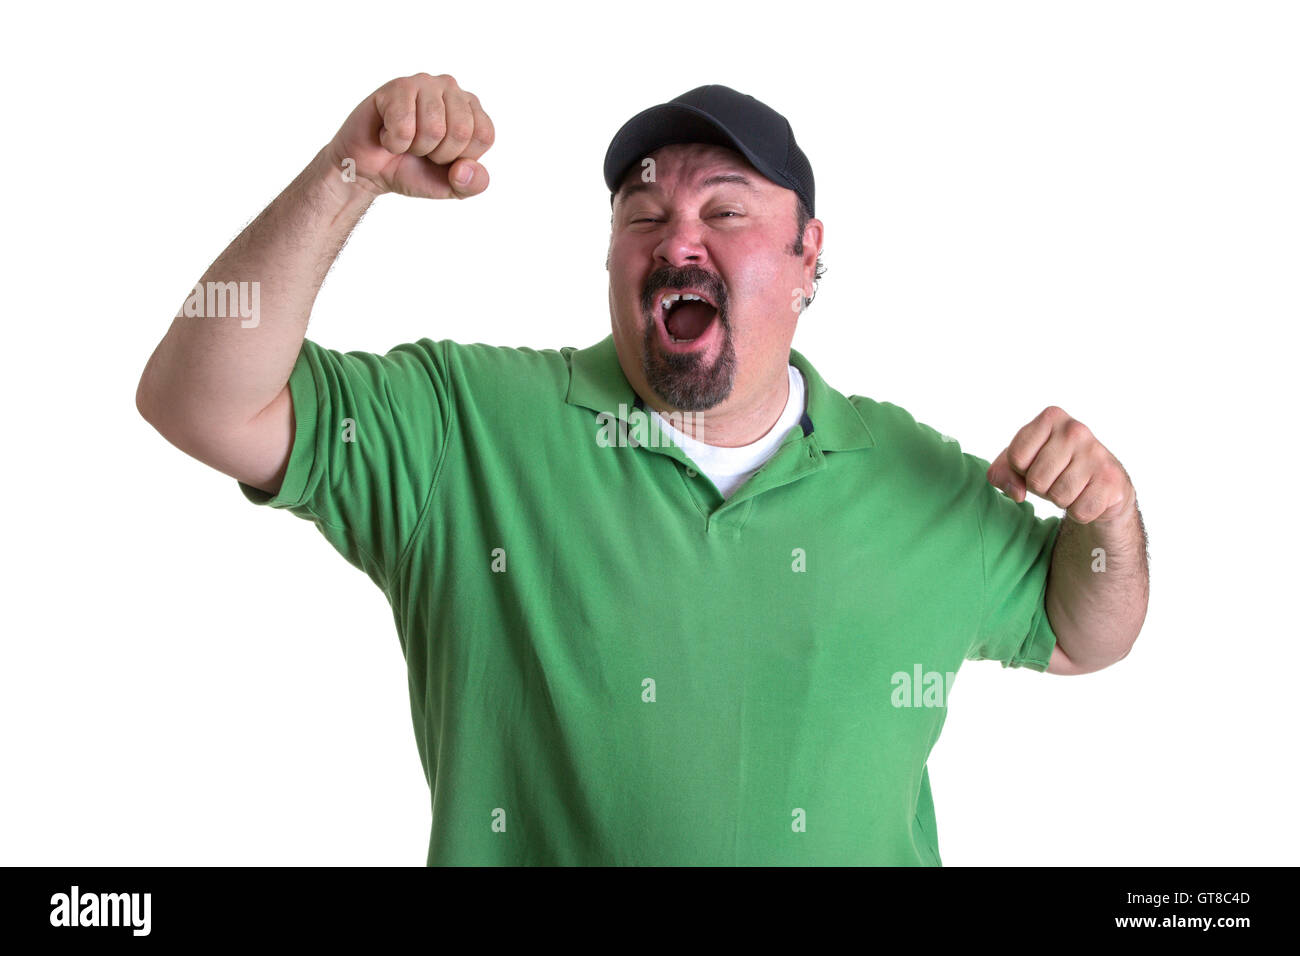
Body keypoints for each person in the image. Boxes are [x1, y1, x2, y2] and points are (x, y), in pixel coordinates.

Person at [136, 74, 1150, 865]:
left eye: (726, 209)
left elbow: (1079, 631)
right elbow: (199, 399)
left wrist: (1108, 519)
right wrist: (346, 170)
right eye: (642, 211)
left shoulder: (915, 477)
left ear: (808, 256)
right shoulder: (465, 428)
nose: (678, 241)